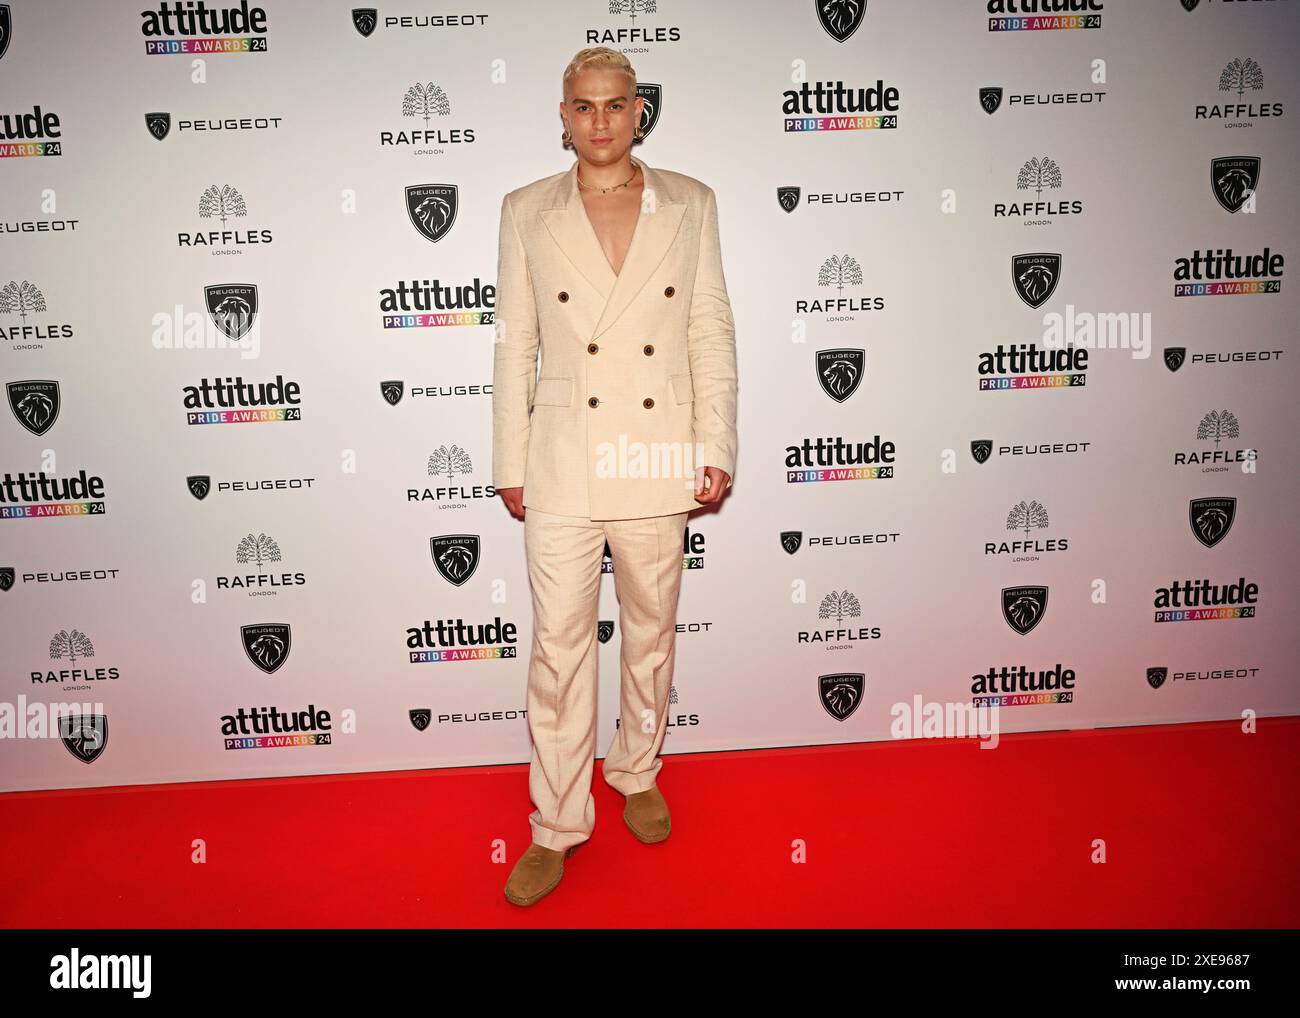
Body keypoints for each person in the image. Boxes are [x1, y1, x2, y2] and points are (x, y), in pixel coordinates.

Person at [491, 46, 738, 906]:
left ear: (640, 111)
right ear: (563, 116)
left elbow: (709, 330)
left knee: (650, 631)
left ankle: (637, 770)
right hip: (560, 458)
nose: (600, 120)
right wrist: (508, 461)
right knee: (557, 651)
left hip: (658, 450)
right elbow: (514, 345)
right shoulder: (525, 210)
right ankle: (555, 823)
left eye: (615, 104)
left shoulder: (692, 204)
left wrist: (717, 444)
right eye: (582, 106)